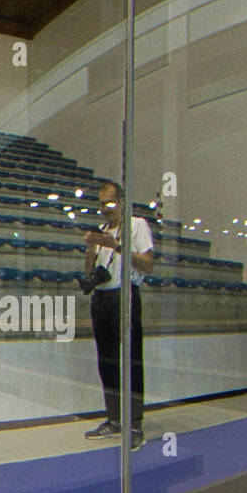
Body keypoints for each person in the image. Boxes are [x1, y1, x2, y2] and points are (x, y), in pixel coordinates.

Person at [82, 180, 155, 448]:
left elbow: (149, 265)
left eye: (110, 202)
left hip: (125, 296)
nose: (105, 208)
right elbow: (90, 270)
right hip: (102, 299)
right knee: (107, 361)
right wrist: (92, 246)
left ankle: (135, 424)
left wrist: (117, 245)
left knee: (132, 360)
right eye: (101, 203)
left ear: (122, 201)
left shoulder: (137, 225)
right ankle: (114, 419)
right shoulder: (102, 231)